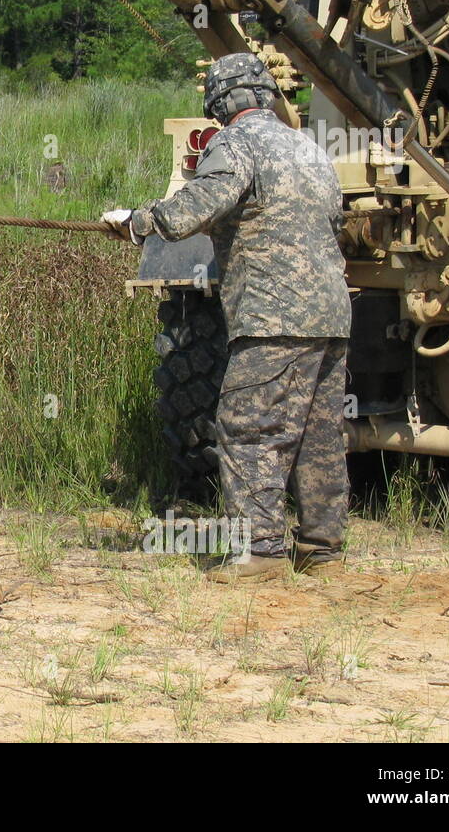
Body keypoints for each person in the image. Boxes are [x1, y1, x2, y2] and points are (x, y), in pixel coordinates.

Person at [103, 52, 352, 582]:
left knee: (248, 426)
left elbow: (197, 205)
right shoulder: (309, 148)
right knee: (318, 433)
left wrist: (135, 222)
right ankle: (321, 548)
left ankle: (259, 552)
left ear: (218, 105)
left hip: (273, 314)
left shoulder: (236, 143)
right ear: (266, 95)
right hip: (331, 314)